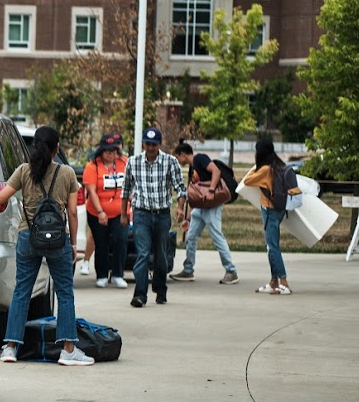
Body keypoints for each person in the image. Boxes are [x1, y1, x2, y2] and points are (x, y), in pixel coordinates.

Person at [0, 125, 94, 366]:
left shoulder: (24, 171)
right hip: (57, 240)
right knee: (65, 293)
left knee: (21, 291)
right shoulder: (66, 174)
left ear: (34, 146)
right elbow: (73, 212)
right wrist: (73, 244)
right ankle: (68, 350)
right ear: (57, 147)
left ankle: (10, 347)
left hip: (28, 237)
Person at [122, 126, 187, 308]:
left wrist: (180, 207)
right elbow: (126, 189)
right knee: (142, 253)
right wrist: (123, 214)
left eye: (154, 144)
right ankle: (140, 294)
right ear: (143, 143)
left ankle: (160, 288)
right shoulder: (133, 162)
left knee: (160, 255)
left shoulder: (170, 162)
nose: (150, 148)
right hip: (141, 213)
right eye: (147, 144)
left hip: (162, 215)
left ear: (159, 145)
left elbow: (180, 188)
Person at [171, 142, 239, 285]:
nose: (178, 161)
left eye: (177, 157)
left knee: (217, 236)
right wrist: (188, 217)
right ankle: (188, 270)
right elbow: (195, 194)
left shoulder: (200, 158)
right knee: (191, 237)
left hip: (212, 205)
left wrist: (211, 190)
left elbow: (216, 171)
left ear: (183, 154)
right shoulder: (192, 168)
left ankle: (231, 271)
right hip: (200, 207)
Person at [242, 139, 293, 295]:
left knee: (272, 247)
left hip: (269, 210)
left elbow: (247, 180)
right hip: (278, 210)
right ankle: (273, 281)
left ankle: (283, 282)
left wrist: (255, 166)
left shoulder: (264, 170)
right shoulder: (278, 166)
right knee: (272, 246)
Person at [82, 133, 129, 289]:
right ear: (101, 151)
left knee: (121, 239)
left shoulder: (124, 163)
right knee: (101, 242)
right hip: (97, 211)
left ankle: (117, 274)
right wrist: (101, 211)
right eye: (108, 151)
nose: (111, 154)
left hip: (120, 210)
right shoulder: (92, 166)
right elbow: (92, 191)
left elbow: (131, 184)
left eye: (114, 150)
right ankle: (102, 274)